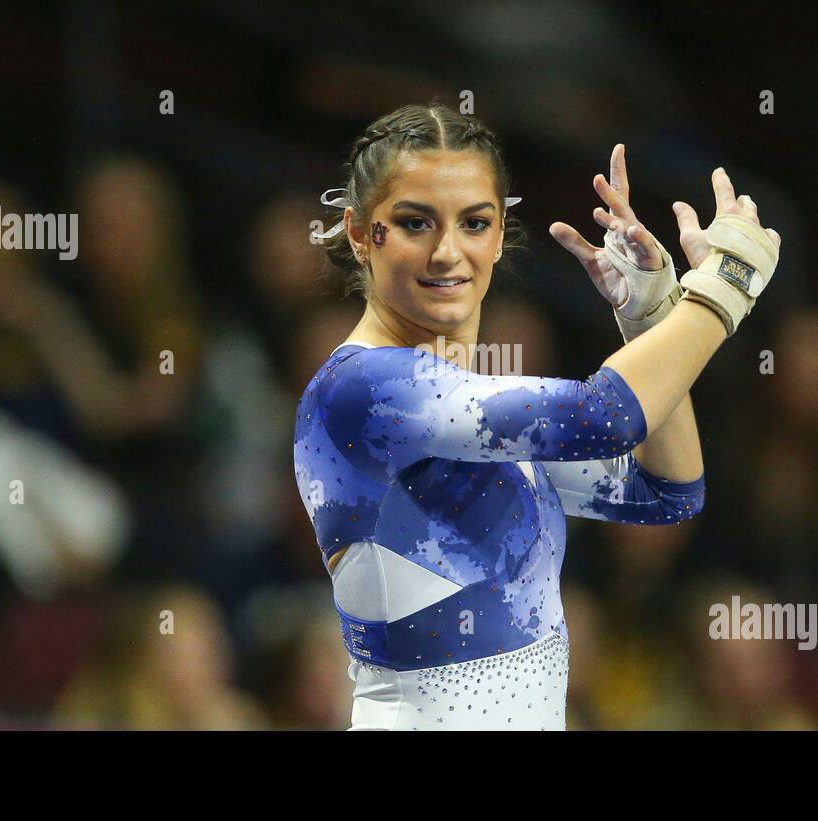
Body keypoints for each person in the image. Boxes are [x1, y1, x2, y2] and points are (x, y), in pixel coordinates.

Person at [293, 103, 781, 729]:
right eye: (415, 223)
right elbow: (603, 416)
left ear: (499, 235)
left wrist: (653, 315)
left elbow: (666, 491)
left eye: (474, 222)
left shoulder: (470, 417)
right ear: (360, 233)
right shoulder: (362, 390)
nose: (448, 252)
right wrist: (724, 284)